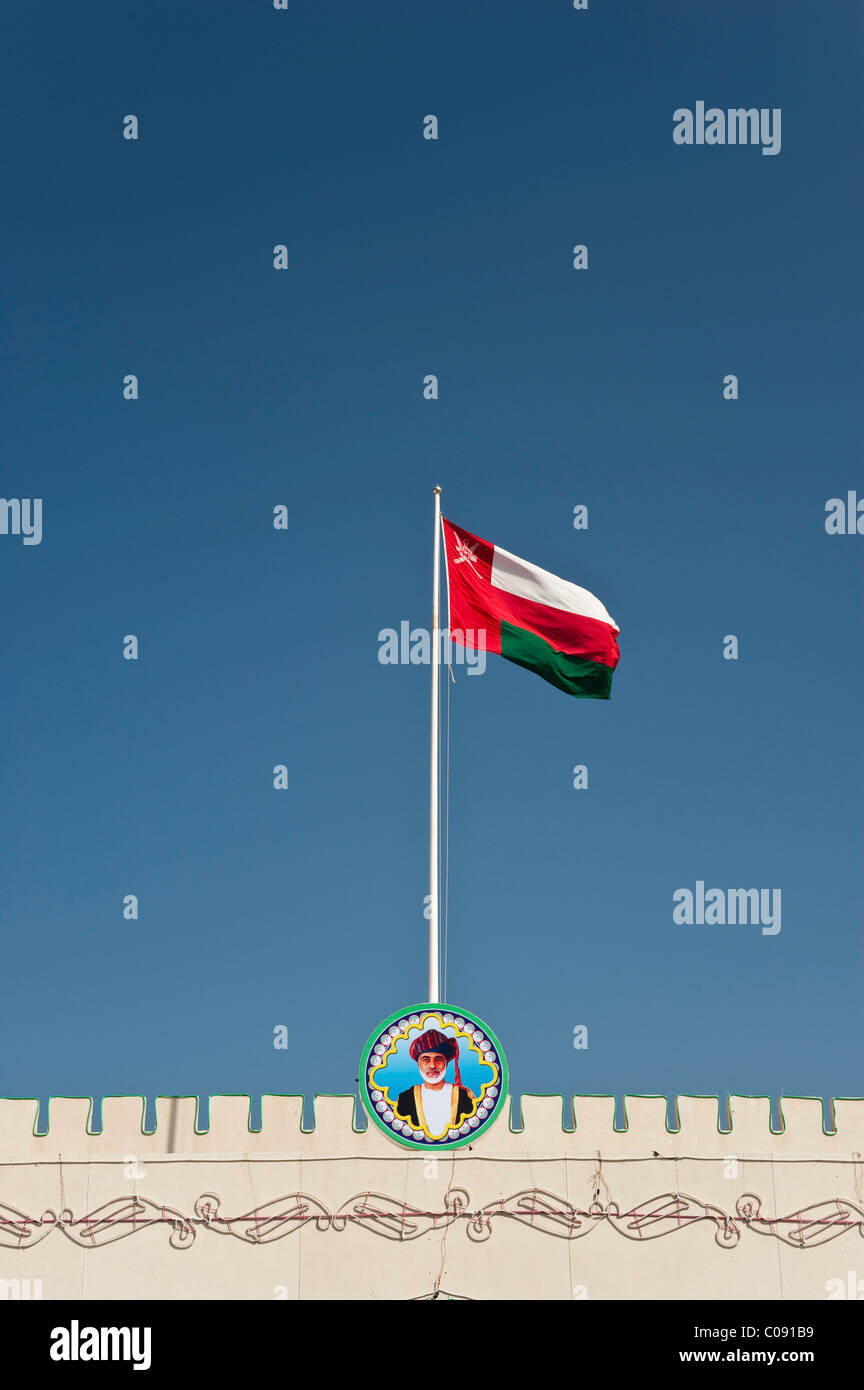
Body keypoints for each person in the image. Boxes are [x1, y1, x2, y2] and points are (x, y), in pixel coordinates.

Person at [394, 1028, 476, 1137]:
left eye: (438, 1059)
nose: (432, 1065)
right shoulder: (405, 1098)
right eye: (426, 1060)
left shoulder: (465, 1096)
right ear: (419, 1064)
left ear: (446, 1063)